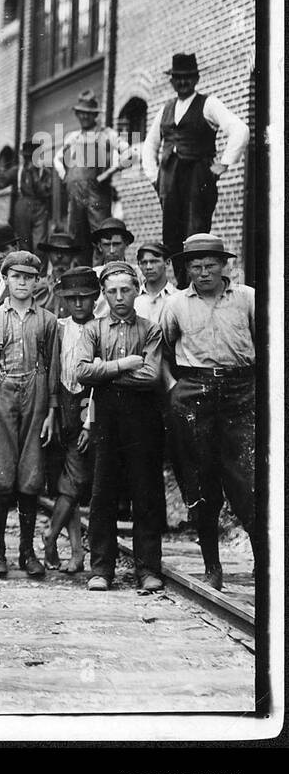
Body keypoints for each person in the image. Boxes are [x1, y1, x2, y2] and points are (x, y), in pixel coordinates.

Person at [157, 233, 256, 591]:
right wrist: (173, 389)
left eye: (210, 265)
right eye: (195, 267)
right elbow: (164, 352)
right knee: (202, 482)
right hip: (194, 392)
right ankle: (212, 566)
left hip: (241, 392)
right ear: (186, 269)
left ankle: (264, 563)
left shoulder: (247, 299)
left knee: (247, 480)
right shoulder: (177, 305)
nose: (203, 273)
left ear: (224, 266)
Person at [76, 262, 166, 593]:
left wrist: (106, 370)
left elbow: (152, 376)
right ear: (104, 294)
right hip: (106, 418)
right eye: (111, 291)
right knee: (103, 494)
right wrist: (126, 364)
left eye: (125, 290)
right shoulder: (93, 330)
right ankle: (101, 568)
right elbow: (82, 372)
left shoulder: (151, 329)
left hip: (142, 419)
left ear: (136, 290)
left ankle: (148, 568)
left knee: (145, 492)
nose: (119, 297)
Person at [139, 53, 250, 285]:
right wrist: (154, 177)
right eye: (178, 77)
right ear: (172, 81)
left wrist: (224, 164)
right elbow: (149, 145)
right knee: (171, 235)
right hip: (170, 183)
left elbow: (240, 129)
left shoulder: (208, 103)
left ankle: (197, 288)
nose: (182, 82)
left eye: (187, 77)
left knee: (196, 233)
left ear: (196, 78)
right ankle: (181, 288)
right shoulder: (165, 109)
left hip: (198, 179)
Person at [0, 251, 60, 578]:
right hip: (1, 391)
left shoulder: (47, 320)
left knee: (30, 474)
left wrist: (51, 411)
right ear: (6, 279)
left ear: (37, 281)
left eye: (29, 277)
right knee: (0, 474)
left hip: (37, 392)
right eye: (17, 277)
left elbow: (54, 366)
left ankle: (27, 552)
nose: (23, 283)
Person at [43, 267, 100, 574]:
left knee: (76, 481)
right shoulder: (60, 327)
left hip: (86, 406)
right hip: (61, 404)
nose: (79, 304)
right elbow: (53, 369)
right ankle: (76, 552)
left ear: (95, 298)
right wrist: (52, 410)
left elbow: (100, 380)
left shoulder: (101, 328)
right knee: (66, 483)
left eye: (85, 298)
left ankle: (50, 535)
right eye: (73, 298)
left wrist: (90, 421)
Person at [56, 91, 132, 266]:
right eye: (81, 113)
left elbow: (128, 154)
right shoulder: (73, 137)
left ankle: (103, 276)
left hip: (96, 194)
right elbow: (57, 159)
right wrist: (65, 176)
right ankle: (82, 279)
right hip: (75, 196)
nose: (84, 116)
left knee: (101, 236)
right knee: (76, 238)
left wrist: (107, 174)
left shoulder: (107, 134)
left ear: (95, 115)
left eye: (88, 113)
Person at [0, 141, 53, 253]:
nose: (29, 161)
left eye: (32, 157)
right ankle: (24, 270)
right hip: (22, 207)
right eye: (27, 158)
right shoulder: (17, 171)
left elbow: (44, 192)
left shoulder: (45, 172)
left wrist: (34, 174)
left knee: (40, 246)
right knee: (24, 245)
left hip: (40, 208)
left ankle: (40, 271)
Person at [34, 231, 80, 316]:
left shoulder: (79, 286)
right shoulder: (42, 286)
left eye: (64, 251)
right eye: (55, 251)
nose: (59, 256)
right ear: (48, 254)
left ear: (72, 255)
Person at [133, 240, 176, 322]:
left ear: (167, 263)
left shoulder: (178, 297)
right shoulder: (133, 298)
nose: (148, 267)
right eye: (144, 262)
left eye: (154, 262)